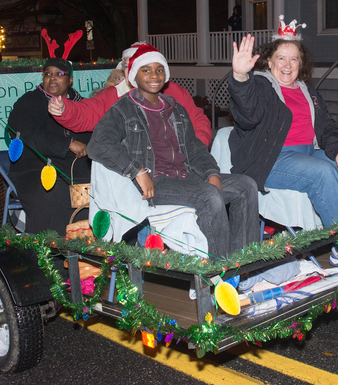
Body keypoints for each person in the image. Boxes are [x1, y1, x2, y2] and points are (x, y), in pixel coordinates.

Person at [87, 44, 258, 258]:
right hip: (154, 183)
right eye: (146, 70)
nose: (154, 75)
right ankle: (217, 269)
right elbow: (98, 144)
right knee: (210, 196)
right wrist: (137, 170)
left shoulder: (175, 108)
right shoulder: (123, 109)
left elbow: (194, 148)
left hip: (186, 177)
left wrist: (211, 173)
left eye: (159, 69)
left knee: (246, 186)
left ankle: (244, 261)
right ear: (133, 76)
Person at [228, 20, 338, 231]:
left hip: (308, 153)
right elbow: (248, 115)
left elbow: (327, 127)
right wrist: (240, 77)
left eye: (294, 59)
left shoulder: (308, 92)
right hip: (271, 159)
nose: (287, 65)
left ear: (300, 63)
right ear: (269, 61)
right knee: (323, 172)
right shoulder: (261, 86)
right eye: (281, 58)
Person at [48, 42, 212, 146]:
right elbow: (88, 112)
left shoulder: (173, 92)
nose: (130, 71)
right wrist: (64, 109)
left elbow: (197, 121)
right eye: (127, 66)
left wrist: (194, 149)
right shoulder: (114, 95)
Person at [7, 59, 92, 235]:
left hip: (75, 169)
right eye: (48, 73)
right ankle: (48, 248)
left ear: (70, 80)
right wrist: (67, 144)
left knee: (100, 192)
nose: (52, 78)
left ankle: (89, 247)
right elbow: (27, 132)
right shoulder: (29, 101)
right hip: (34, 168)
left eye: (59, 74)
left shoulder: (83, 105)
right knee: (53, 195)